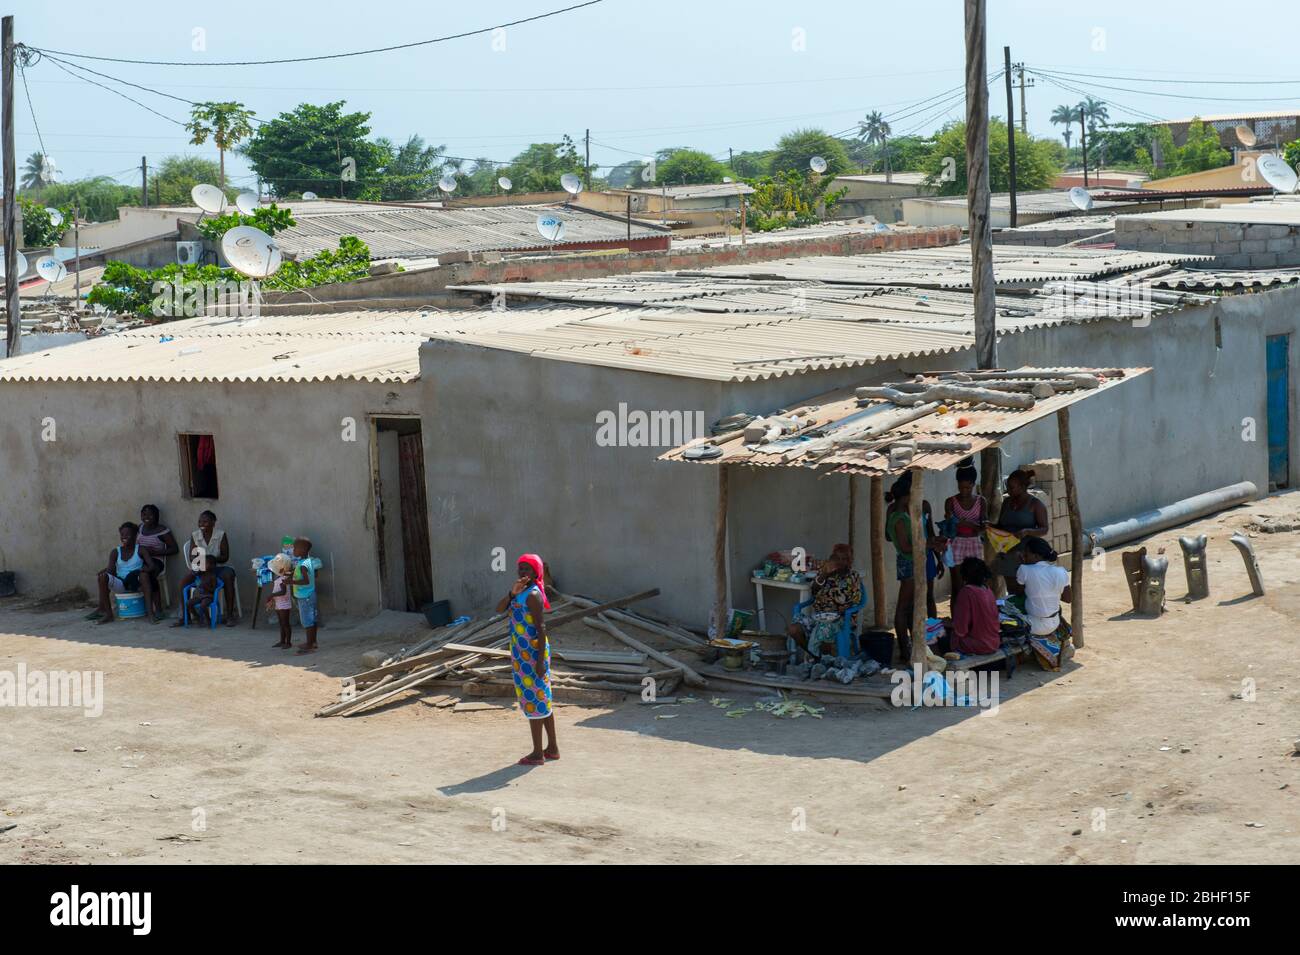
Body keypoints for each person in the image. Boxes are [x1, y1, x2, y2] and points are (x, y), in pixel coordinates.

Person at [495, 554, 558, 766]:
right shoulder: (519, 593)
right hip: (521, 654)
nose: (523, 573)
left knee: (535, 700)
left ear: (536, 573)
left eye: (527, 569)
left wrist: (540, 661)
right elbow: (498, 609)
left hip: (532, 654)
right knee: (542, 699)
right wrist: (511, 594)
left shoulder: (533, 595)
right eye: (520, 569)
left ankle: (537, 753)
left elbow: (541, 628)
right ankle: (552, 748)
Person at [886, 473, 946, 662]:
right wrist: (929, 544)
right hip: (908, 562)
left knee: (913, 604)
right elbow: (905, 546)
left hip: (913, 560)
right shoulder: (898, 517)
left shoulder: (900, 513)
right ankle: (904, 648)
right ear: (906, 496)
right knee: (904, 606)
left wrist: (931, 544)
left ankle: (914, 644)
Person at [786, 543, 863, 660]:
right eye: (838, 558)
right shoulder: (826, 571)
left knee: (825, 629)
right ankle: (816, 656)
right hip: (819, 616)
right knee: (794, 629)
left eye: (845, 559)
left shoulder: (853, 576)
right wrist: (825, 574)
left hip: (842, 618)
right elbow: (814, 590)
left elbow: (856, 600)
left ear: (850, 561)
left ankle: (821, 659)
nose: (841, 562)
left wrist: (843, 609)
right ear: (833, 558)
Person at [173, 510, 239, 627]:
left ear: (213, 523)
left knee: (229, 575)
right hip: (202, 568)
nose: (201, 524)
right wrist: (203, 564)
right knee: (183, 582)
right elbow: (192, 556)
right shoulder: (195, 535)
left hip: (218, 567)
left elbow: (225, 556)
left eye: (205, 522)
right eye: (200, 522)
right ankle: (184, 616)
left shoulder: (221, 535)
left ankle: (229, 615)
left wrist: (211, 560)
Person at [992, 469, 1050, 596]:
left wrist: (1027, 531)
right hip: (1007, 552)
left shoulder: (1035, 504)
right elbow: (1001, 526)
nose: (1009, 491)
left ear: (1023, 487)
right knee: (1012, 589)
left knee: (1026, 589)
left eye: (1012, 488)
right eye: (1008, 487)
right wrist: (989, 527)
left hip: (1025, 555)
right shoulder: (1007, 502)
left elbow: (1044, 529)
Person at [88, 522, 158, 625]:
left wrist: (144, 570)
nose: (124, 537)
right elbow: (111, 571)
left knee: (143, 575)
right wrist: (104, 574)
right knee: (103, 578)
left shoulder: (141, 550)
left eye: (128, 535)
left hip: (136, 582)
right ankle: (108, 614)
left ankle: (150, 614)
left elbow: (152, 566)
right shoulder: (115, 552)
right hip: (121, 583)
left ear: (135, 536)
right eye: (122, 535)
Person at [943, 460, 987, 605]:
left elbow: (983, 528)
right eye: (961, 487)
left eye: (967, 488)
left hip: (975, 543)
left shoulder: (981, 502)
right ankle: (957, 621)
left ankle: (973, 619)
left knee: (976, 583)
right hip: (957, 543)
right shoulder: (951, 501)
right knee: (957, 586)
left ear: (973, 485)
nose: (964, 491)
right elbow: (949, 526)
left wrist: (965, 523)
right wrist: (956, 522)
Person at [937, 558, 1001, 656]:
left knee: (936, 634)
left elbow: (961, 630)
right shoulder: (988, 591)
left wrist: (946, 623)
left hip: (978, 644)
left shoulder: (966, 592)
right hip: (994, 642)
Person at [1016, 536, 1072, 638]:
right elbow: (1068, 599)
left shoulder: (1023, 569)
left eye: (1026, 554)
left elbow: (1018, 592)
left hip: (1033, 624)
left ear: (1036, 556)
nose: (1024, 556)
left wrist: (1023, 564)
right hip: (1054, 622)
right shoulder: (1061, 571)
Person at [136, 504, 179, 623]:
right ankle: (141, 607)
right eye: (144, 514)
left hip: (156, 561)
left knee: (149, 574)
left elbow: (174, 549)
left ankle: (158, 609)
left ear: (156, 516)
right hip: (141, 560)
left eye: (150, 514)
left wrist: (156, 551)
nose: (146, 517)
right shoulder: (140, 528)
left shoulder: (162, 531)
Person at [291, 537, 319, 654]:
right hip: (309, 594)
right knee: (312, 619)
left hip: (305, 596)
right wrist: (291, 575)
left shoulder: (303, 565)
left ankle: (309, 645)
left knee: (307, 621)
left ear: (302, 549)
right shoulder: (307, 561)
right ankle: (313, 642)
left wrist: (291, 582)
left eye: (295, 548)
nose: (293, 550)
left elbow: (306, 581)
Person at [266, 554, 294, 649]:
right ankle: (282, 641)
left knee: (285, 623)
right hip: (279, 603)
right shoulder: (281, 578)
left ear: (281, 570)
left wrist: (272, 595)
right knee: (282, 623)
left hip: (284, 604)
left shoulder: (284, 579)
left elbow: (283, 591)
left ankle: (288, 642)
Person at [186, 556, 220, 627]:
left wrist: (206, 587)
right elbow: (194, 573)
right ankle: (197, 617)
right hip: (199, 595)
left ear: (212, 566)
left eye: (205, 564)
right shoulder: (201, 573)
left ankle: (208, 620)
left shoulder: (212, 576)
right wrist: (195, 571)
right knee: (188, 603)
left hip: (208, 596)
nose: (202, 565)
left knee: (203, 605)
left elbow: (214, 590)